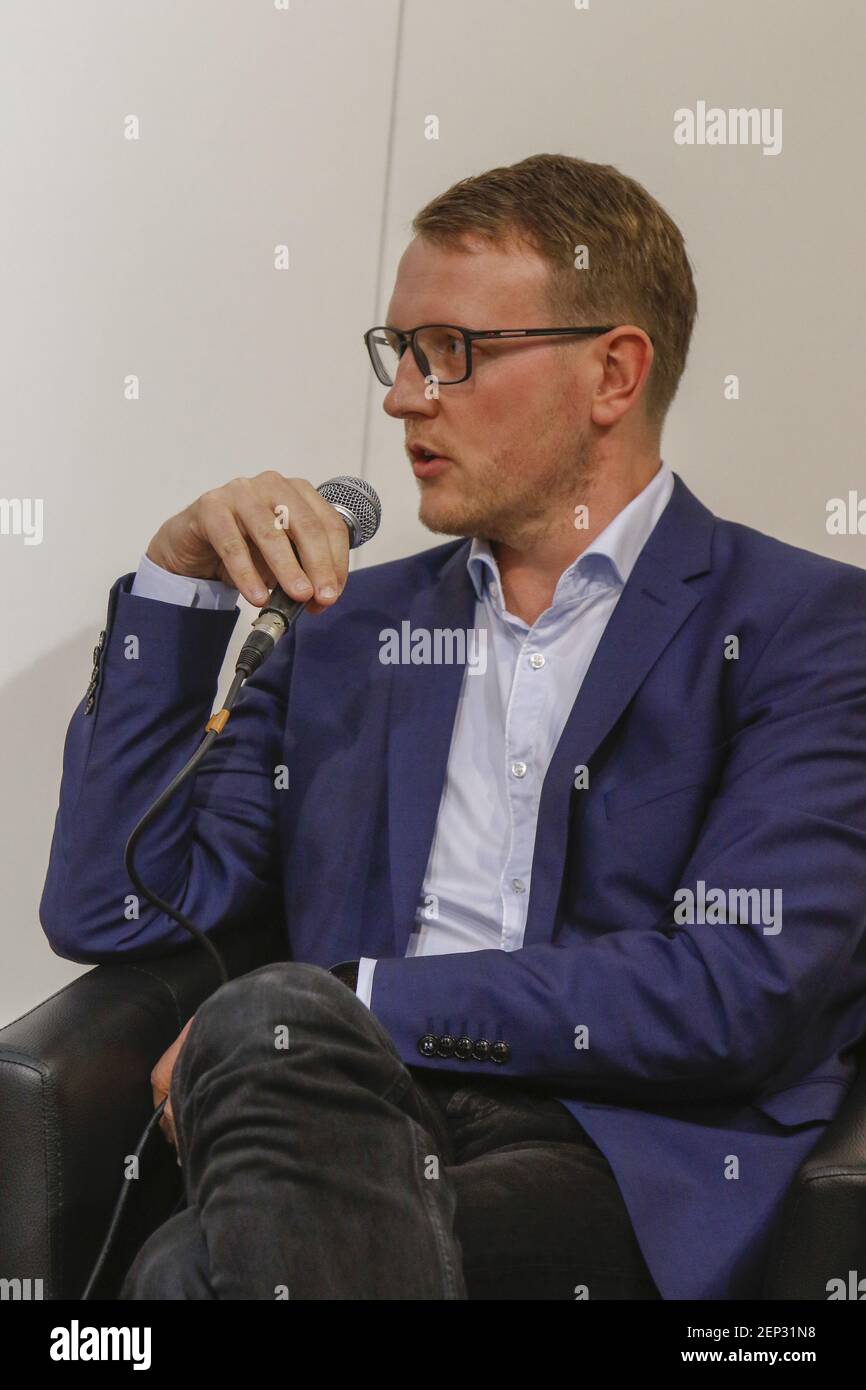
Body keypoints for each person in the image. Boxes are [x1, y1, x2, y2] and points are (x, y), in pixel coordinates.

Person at [40, 153, 866, 1301]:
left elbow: (735, 990)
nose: (402, 397)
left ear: (612, 373)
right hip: (340, 1116)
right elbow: (114, 907)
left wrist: (357, 1000)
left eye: (451, 353)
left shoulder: (805, 627)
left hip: (613, 1150)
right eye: (398, 353)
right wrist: (181, 583)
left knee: (193, 1263)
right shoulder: (344, 628)